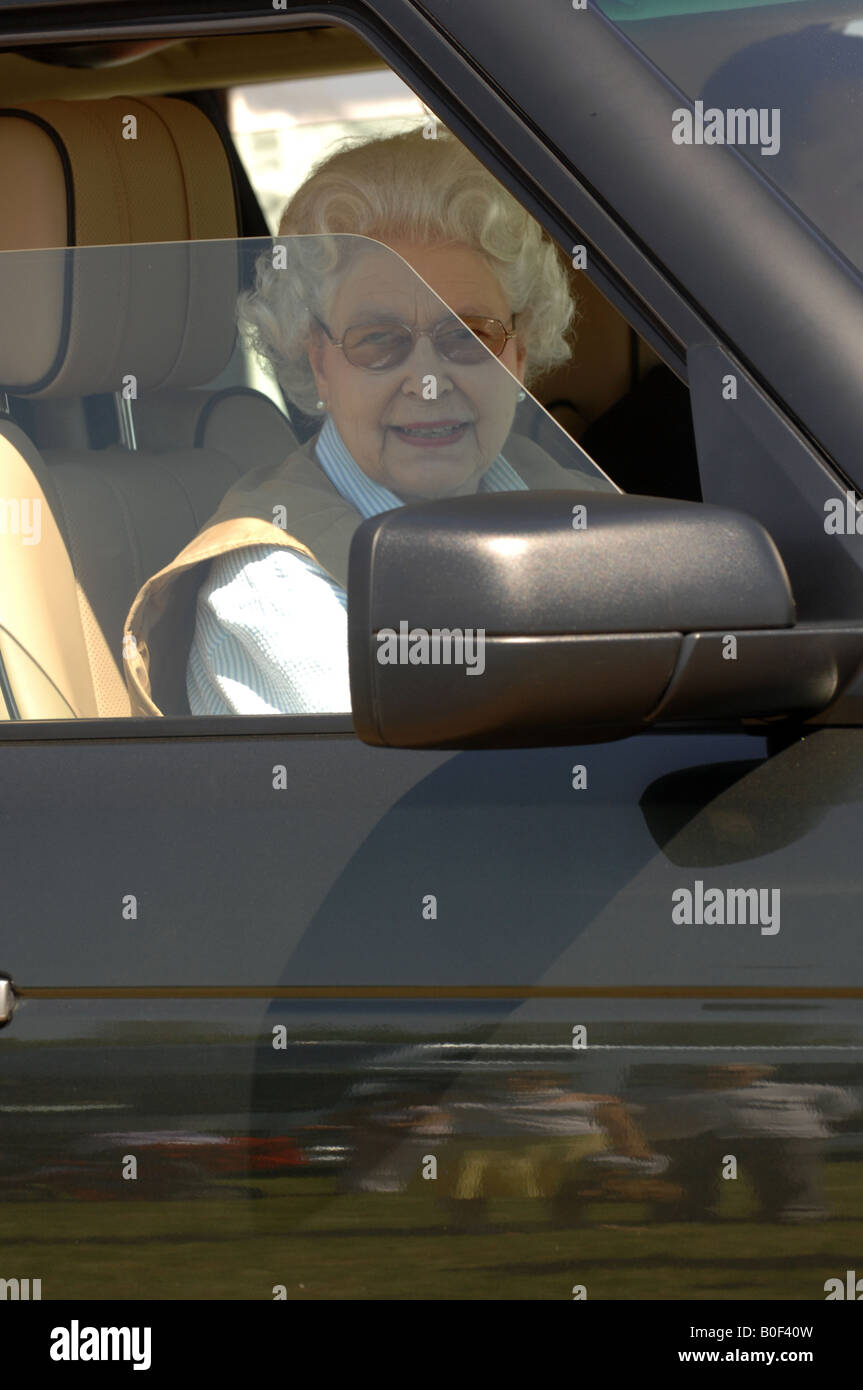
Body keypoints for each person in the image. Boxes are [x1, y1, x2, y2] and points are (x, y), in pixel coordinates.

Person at [122, 126, 612, 717]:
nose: (428, 382)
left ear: (521, 351)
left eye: (470, 336)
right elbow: (439, 801)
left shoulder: (571, 500)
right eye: (379, 341)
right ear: (318, 361)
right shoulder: (274, 586)